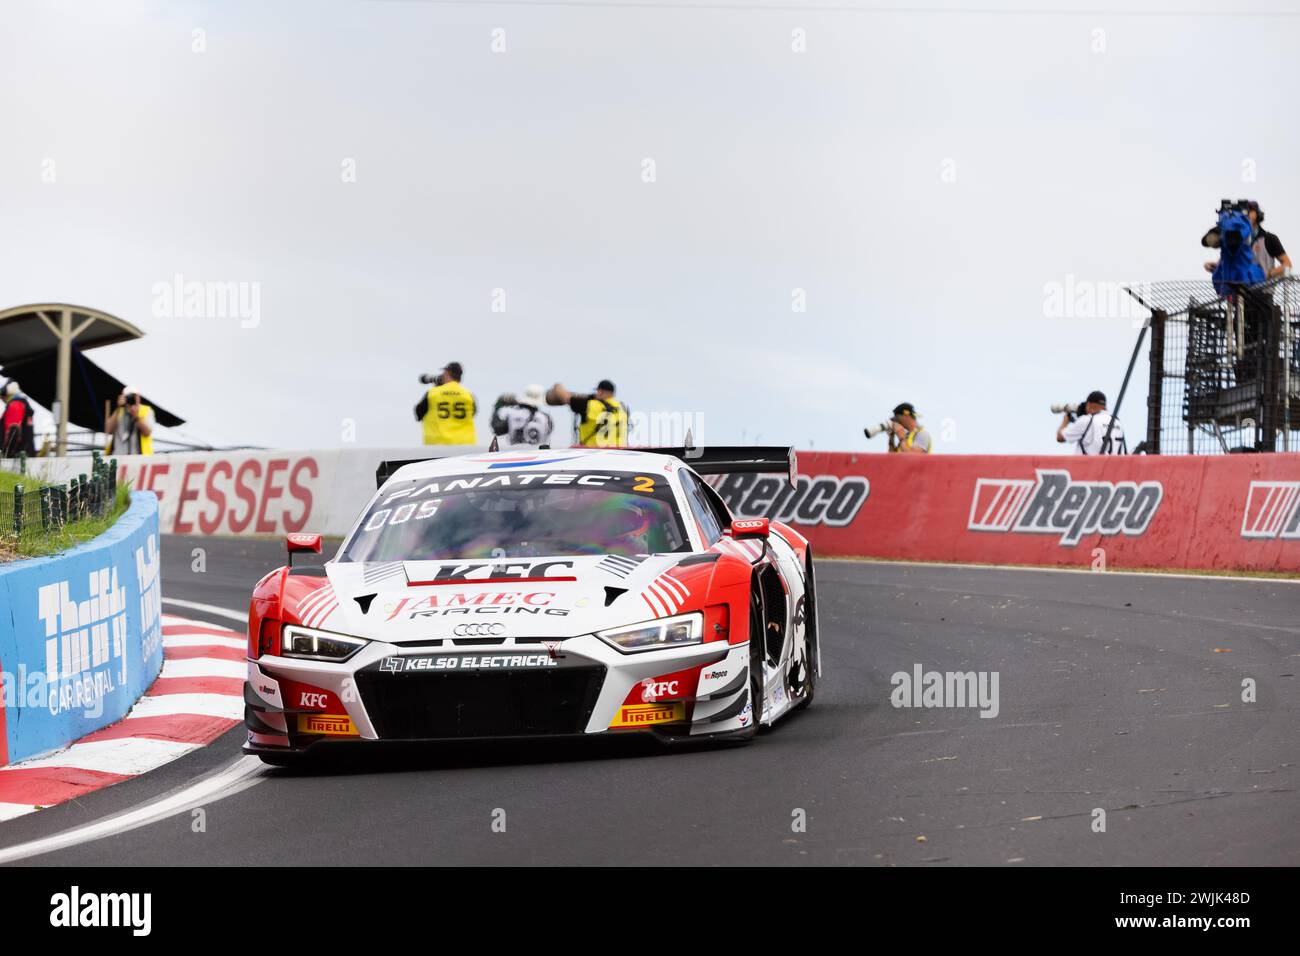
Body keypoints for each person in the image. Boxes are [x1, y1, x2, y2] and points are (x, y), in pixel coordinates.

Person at [549, 379, 629, 447]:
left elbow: (564, 397)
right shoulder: (622, 408)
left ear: (600, 392)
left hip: (593, 453)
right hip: (619, 453)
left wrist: (557, 386)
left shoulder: (591, 405)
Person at [415, 361, 477, 445]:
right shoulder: (468, 395)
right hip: (465, 446)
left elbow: (418, 413)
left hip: (439, 447)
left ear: (447, 373)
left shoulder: (433, 393)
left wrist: (437, 387)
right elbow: (473, 413)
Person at [1056, 390, 1124, 455]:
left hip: (1091, 466)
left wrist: (1065, 420)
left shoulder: (1087, 420)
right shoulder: (1117, 421)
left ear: (1088, 404)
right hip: (1115, 465)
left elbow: (1060, 437)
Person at [105, 385, 156, 456]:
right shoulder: (119, 411)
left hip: (138, 458)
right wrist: (118, 408)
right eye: (128, 396)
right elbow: (108, 430)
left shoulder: (146, 410)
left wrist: (136, 416)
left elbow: (147, 432)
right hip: (118, 457)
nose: (131, 399)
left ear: (138, 397)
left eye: (134, 396)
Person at [1, 381, 37, 457]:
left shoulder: (15, 406)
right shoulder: (22, 404)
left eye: (2, 396)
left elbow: (13, 431)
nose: (2, 399)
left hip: (16, 457)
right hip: (24, 453)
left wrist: (6, 454)